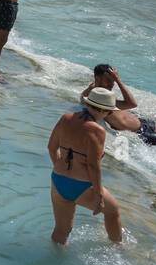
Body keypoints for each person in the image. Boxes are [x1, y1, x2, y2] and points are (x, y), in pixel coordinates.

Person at [48, 87, 123, 245]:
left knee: (62, 231)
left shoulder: (65, 118)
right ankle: (118, 249)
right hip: (82, 185)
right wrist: (98, 195)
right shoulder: (97, 131)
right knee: (113, 211)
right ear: (104, 111)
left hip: (58, 179)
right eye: (110, 112)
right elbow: (93, 166)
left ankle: (56, 261)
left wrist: (61, 169)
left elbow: (51, 147)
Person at [86, 64, 156, 148]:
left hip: (143, 123)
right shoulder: (98, 98)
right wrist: (118, 81)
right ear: (98, 78)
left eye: (113, 81)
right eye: (109, 80)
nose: (112, 84)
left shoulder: (105, 95)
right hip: (142, 134)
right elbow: (132, 104)